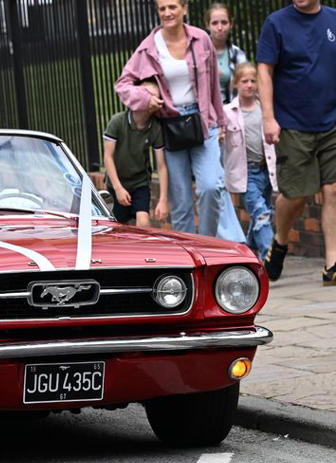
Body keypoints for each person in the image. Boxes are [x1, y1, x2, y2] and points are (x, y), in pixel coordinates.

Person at [115, 0, 243, 242]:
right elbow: (122, 84)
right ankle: (188, 253)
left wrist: (220, 122)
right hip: (170, 128)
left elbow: (213, 86)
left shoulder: (201, 39)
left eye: (172, 7)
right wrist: (145, 99)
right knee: (181, 201)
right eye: (162, 8)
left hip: (203, 123)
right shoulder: (148, 48)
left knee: (211, 187)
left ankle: (206, 244)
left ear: (184, 8)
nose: (167, 13)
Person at [257, 0, 336, 284]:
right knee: (296, 195)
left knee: (333, 190)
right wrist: (268, 117)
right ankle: (279, 241)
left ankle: (332, 263)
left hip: (332, 121)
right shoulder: (276, 23)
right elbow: (264, 70)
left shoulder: (333, 19)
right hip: (292, 123)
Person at [222, 63, 278, 261]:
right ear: (236, 83)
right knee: (261, 213)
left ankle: (249, 246)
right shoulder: (228, 112)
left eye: (253, 81)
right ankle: (268, 259)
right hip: (246, 173)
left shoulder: (265, 109)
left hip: (267, 170)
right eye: (244, 81)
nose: (249, 85)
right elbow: (218, 136)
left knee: (260, 214)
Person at [103, 79, 169, 227]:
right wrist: (118, 188)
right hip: (117, 183)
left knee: (143, 222)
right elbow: (107, 157)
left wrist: (163, 200)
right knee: (120, 228)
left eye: (156, 96)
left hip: (140, 183)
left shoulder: (155, 128)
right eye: (148, 95)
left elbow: (161, 166)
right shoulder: (117, 122)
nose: (153, 99)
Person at [205, 3, 247, 104]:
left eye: (224, 22)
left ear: (231, 24)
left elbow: (246, 84)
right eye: (214, 23)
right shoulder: (198, 52)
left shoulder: (238, 55)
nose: (220, 28)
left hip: (231, 108)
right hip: (205, 110)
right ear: (207, 25)